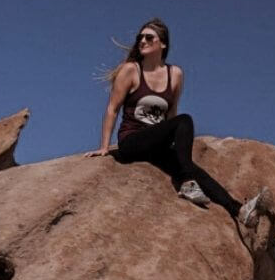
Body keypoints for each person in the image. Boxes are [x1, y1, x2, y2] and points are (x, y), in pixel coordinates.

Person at [84, 18, 262, 226]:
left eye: (149, 37)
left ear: (163, 44)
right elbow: (112, 108)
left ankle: (239, 211)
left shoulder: (175, 74)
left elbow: (171, 114)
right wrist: (104, 147)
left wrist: (176, 150)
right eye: (140, 37)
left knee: (188, 164)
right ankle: (187, 183)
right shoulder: (131, 70)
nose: (142, 41)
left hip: (156, 142)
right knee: (184, 123)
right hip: (132, 142)